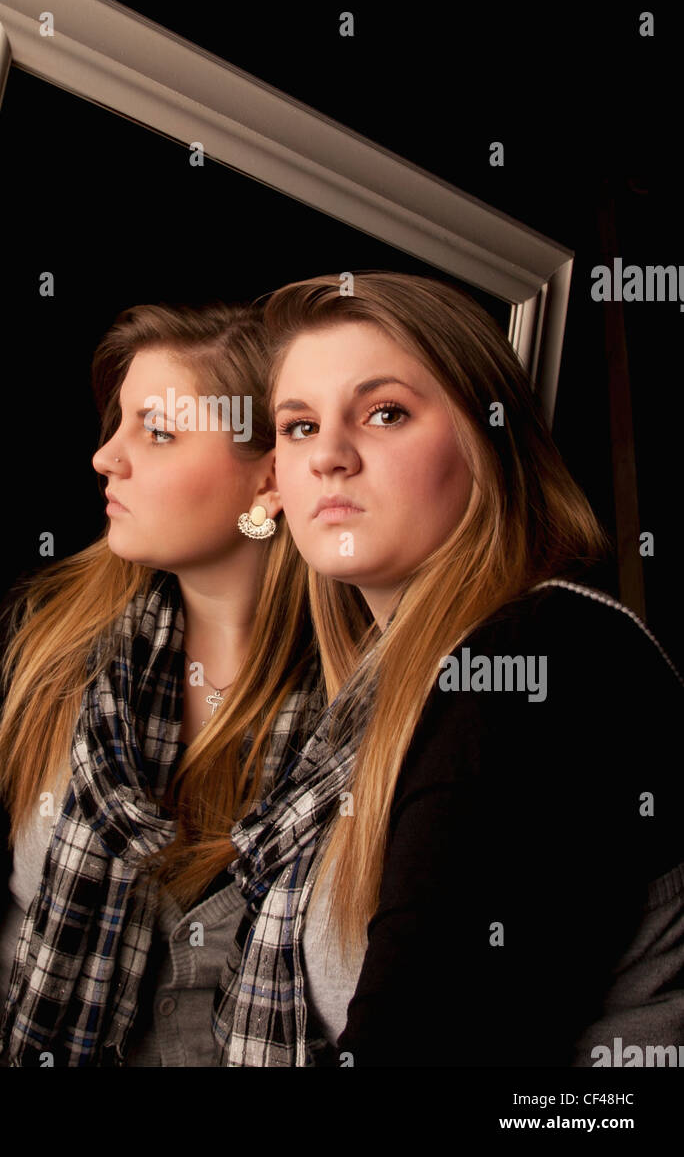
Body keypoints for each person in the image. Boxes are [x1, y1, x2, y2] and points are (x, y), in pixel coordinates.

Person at [213, 271, 684, 1067]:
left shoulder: (539, 660)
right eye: (297, 427)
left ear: (487, 442)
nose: (328, 454)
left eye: (385, 413)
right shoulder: (376, 702)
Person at [0, 300, 328, 1067]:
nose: (106, 458)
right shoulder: (44, 635)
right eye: (117, 425)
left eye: (157, 431)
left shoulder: (355, 706)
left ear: (268, 481)